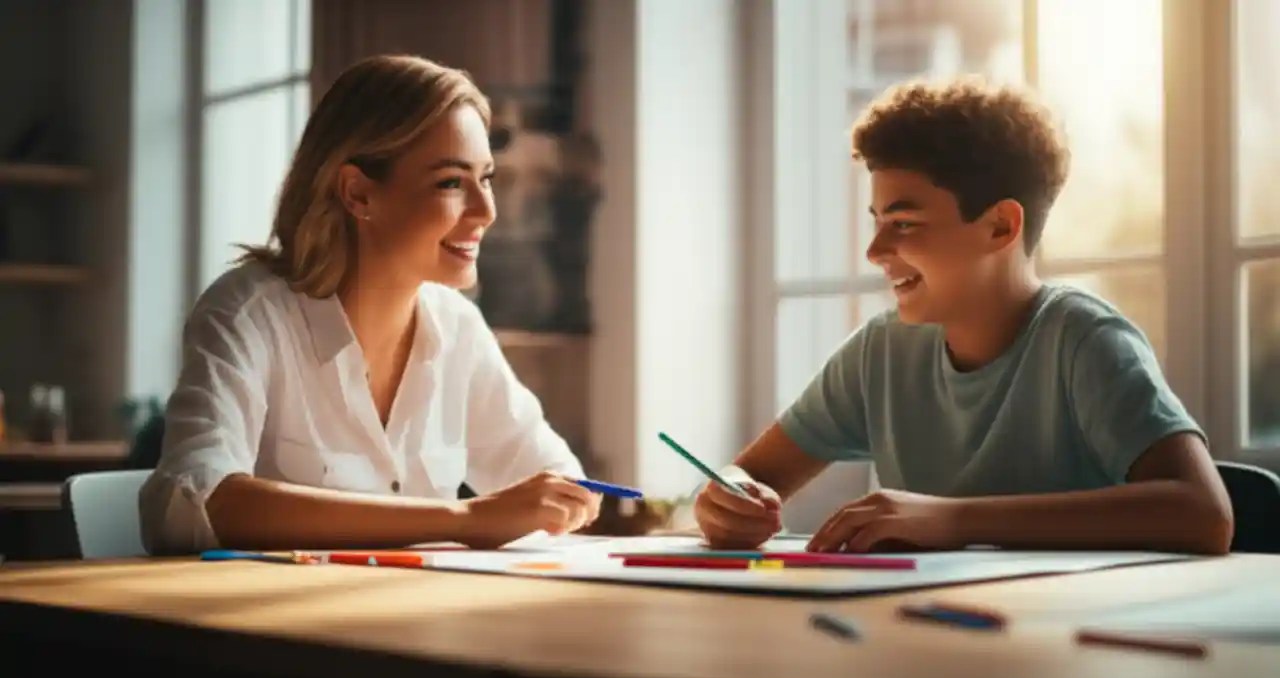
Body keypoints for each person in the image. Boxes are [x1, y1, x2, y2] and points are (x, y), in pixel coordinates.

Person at [695, 77, 1234, 555]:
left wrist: (952, 519)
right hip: (919, 634)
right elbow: (749, 474)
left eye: (904, 223)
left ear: (1000, 226)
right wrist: (727, 497)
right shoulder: (881, 350)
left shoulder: (1084, 341)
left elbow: (1205, 514)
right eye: (877, 221)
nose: (875, 251)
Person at [140, 55, 599, 555]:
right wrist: (464, 517)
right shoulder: (247, 313)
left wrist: (681, 510)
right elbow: (192, 502)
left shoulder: (457, 326)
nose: (486, 211)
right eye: (451, 182)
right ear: (358, 193)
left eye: (485, 178)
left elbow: (557, 483)